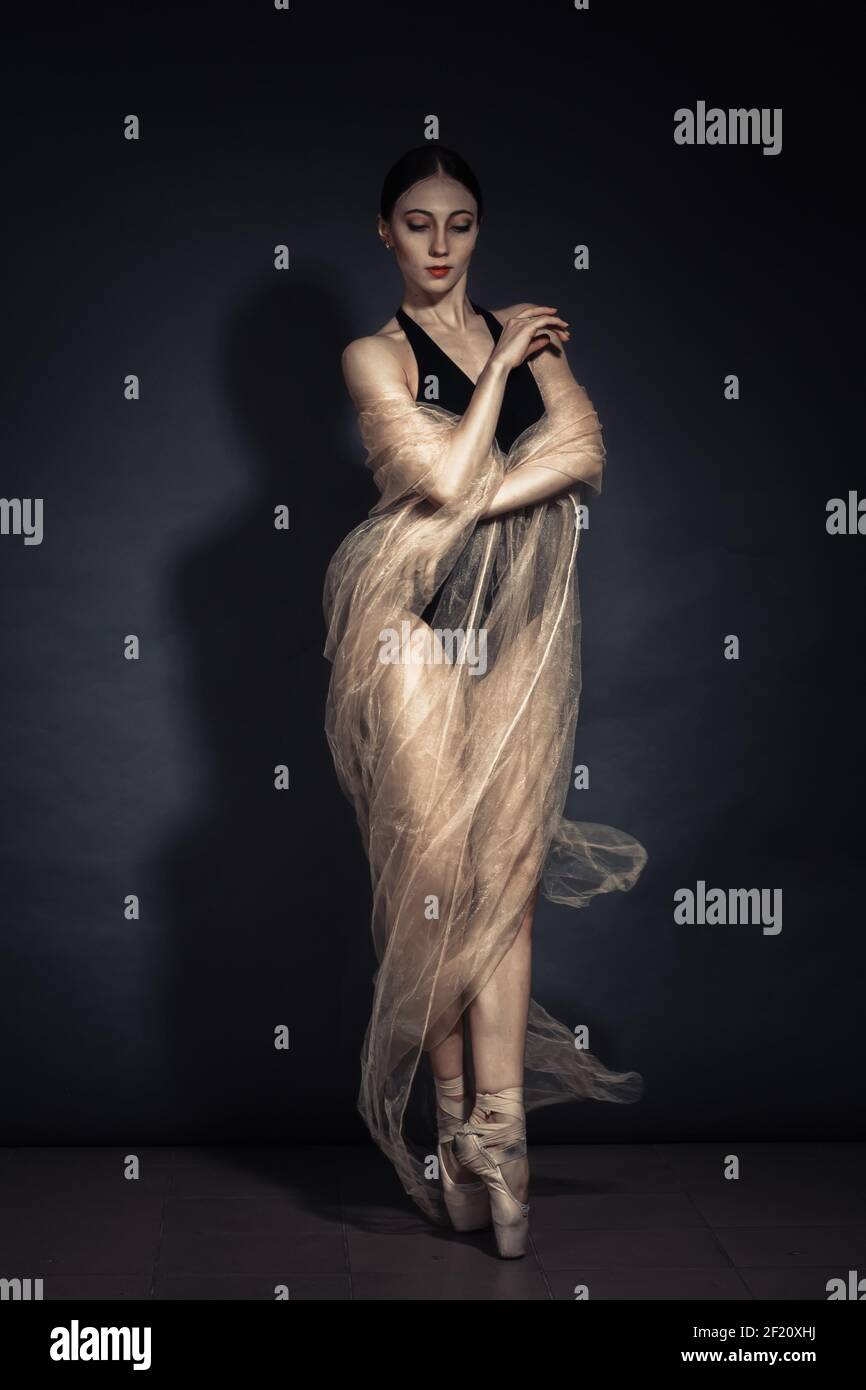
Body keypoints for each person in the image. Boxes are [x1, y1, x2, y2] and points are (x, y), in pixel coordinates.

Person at [323, 145, 647, 1258]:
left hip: (512, 634)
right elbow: (456, 485)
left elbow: (587, 450)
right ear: (384, 233)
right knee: (438, 888)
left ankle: (497, 1142)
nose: (440, 246)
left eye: (458, 224)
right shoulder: (374, 355)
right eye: (417, 224)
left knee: (504, 889)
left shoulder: (522, 327)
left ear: (478, 230)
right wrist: (504, 372)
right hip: (410, 626)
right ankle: (452, 1124)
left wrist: (511, 371)